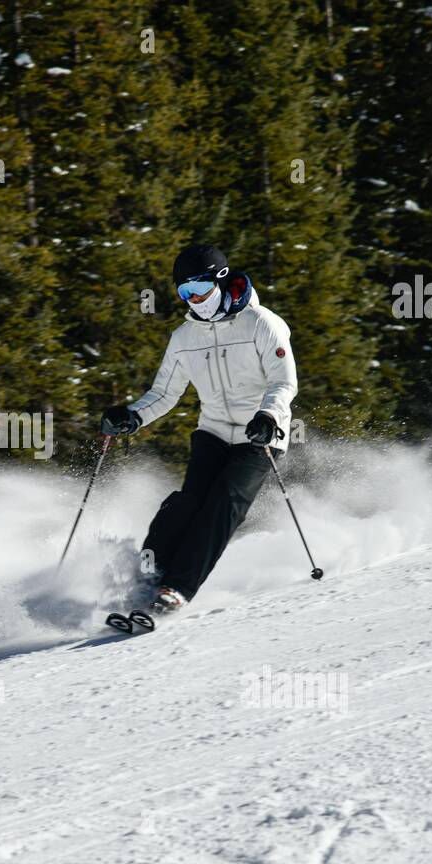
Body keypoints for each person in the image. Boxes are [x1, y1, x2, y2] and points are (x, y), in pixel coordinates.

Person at [99, 244, 298, 613]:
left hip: (260, 434)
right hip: (213, 431)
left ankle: (177, 588)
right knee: (186, 504)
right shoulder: (184, 338)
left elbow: (283, 383)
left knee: (224, 504)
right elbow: (163, 392)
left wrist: (268, 416)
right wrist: (132, 416)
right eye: (185, 293)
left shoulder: (262, 323)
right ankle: (147, 577)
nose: (195, 299)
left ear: (221, 280)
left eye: (201, 289)